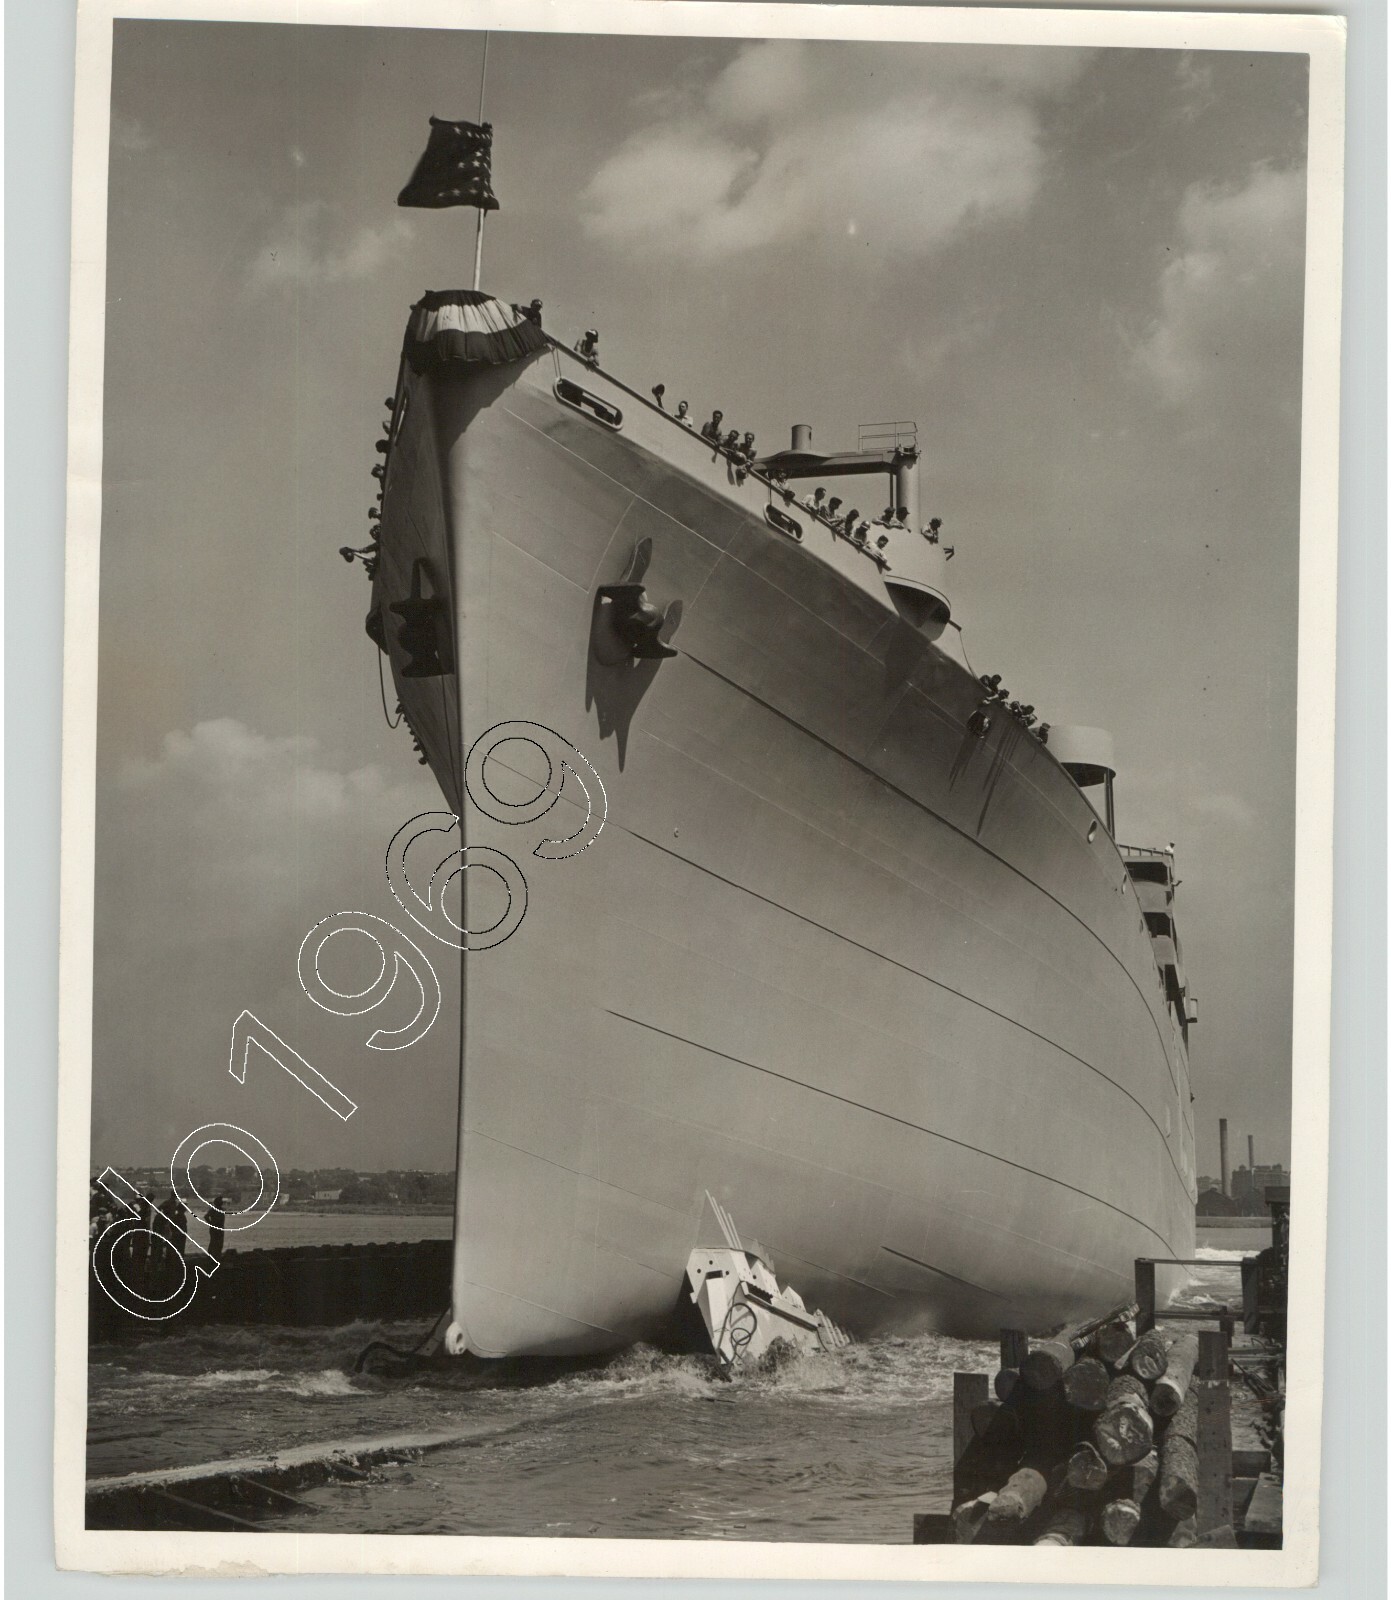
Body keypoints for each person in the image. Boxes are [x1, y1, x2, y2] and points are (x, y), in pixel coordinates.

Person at [204, 1195, 227, 1263]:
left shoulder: (221, 1210)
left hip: (220, 1228)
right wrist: (211, 1224)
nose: (222, 1202)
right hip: (215, 1228)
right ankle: (210, 1256)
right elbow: (206, 1216)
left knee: (219, 1243)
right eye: (220, 1201)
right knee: (213, 1242)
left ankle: (217, 1256)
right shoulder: (213, 1210)